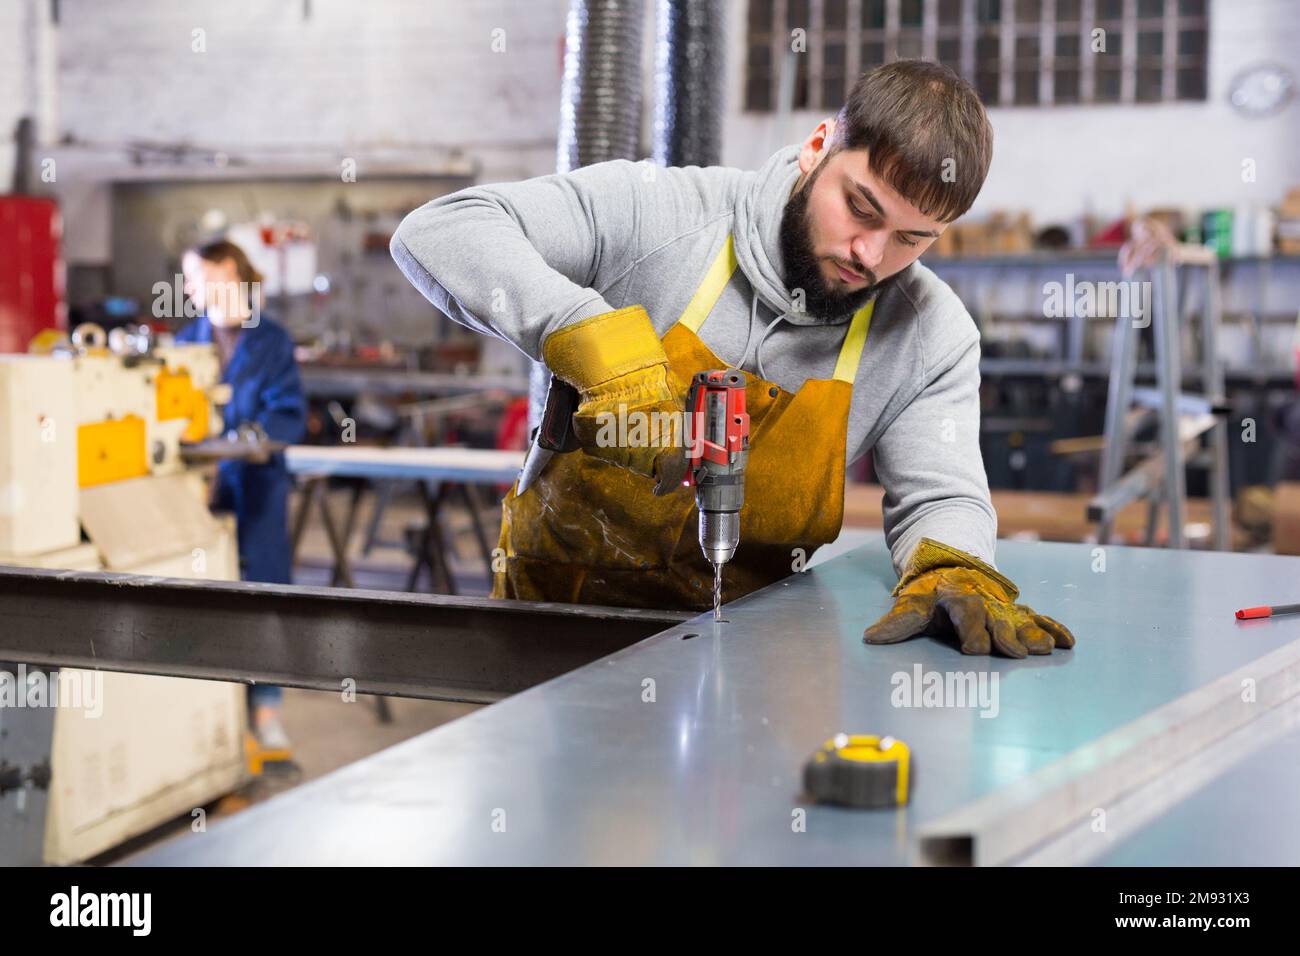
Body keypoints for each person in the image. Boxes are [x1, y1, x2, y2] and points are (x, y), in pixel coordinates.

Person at [391, 60, 1075, 658]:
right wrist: (592, 340)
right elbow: (440, 229)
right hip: (550, 629)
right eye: (860, 209)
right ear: (817, 147)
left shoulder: (929, 333)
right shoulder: (661, 214)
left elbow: (943, 494)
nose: (871, 254)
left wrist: (951, 562)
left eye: (911, 238)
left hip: (750, 654)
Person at [177, 239, 307, 747]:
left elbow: (287, 412)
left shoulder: (270, 341)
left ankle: (266, 710)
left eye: (196, 275)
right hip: (197, 490)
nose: (188, 287)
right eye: (186, 279)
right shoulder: (186, 343)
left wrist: (240, 443)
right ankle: (210, 707)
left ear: (227, 271)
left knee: (264, 594)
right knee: (201, 590)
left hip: (256, 484)